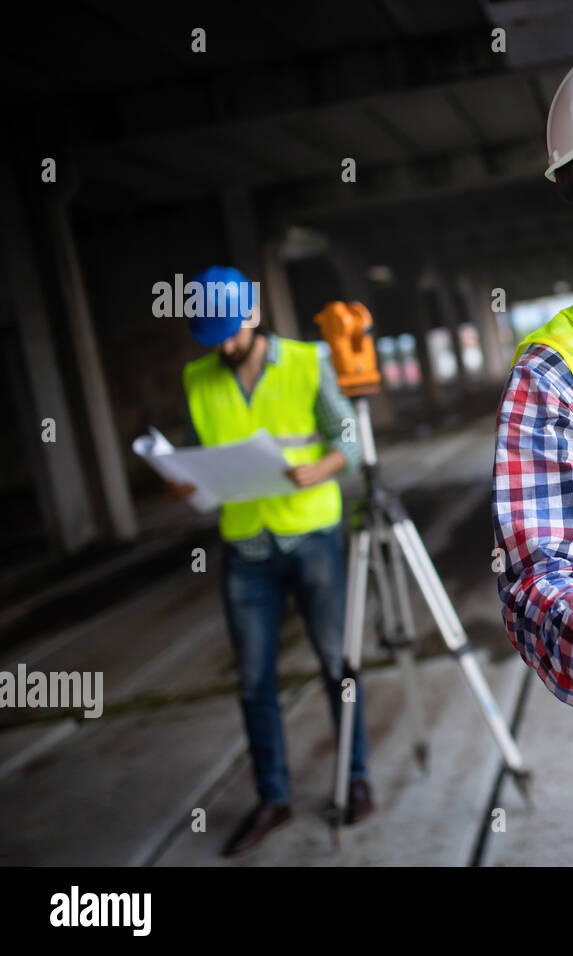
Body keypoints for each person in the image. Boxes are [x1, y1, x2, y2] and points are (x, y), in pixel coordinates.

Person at [166, 265, 373, 856]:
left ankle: (356, 781)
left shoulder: (308, 363)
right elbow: (199, 456)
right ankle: (272, 800)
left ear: (253, 315)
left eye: (231, 330)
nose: (226, 345)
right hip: (244, 545)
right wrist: (182, 481)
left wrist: (325, 467)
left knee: (338, 666)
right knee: (254, 682)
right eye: (214, 335)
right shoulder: (197, 378)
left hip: (310, 534)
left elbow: (349, 443)